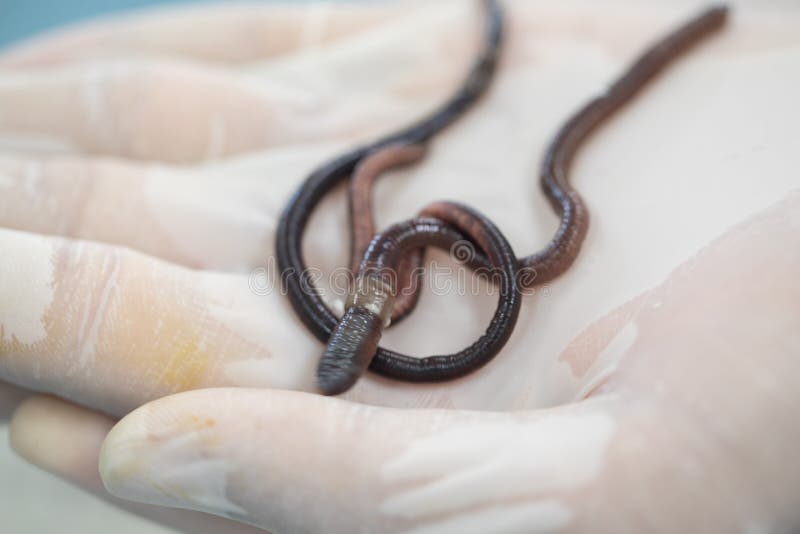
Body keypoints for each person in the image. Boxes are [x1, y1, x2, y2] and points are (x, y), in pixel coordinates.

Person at [0, 1, 798, 532]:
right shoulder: (391, 285)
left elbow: (468, 253)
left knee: (549, 190)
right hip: (400, 268)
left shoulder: (431, 271)